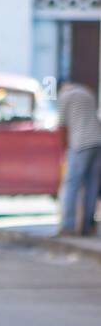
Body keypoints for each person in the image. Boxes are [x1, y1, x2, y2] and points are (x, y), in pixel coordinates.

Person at [55, 77, 101, 237]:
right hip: (97, 141)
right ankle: (87, 226)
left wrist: (65, 149)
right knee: (91, 186)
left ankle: (68, 225)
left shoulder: (64, 96)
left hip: (80, 143)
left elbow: (62, 125)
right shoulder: (88, 93)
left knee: (71, 184)